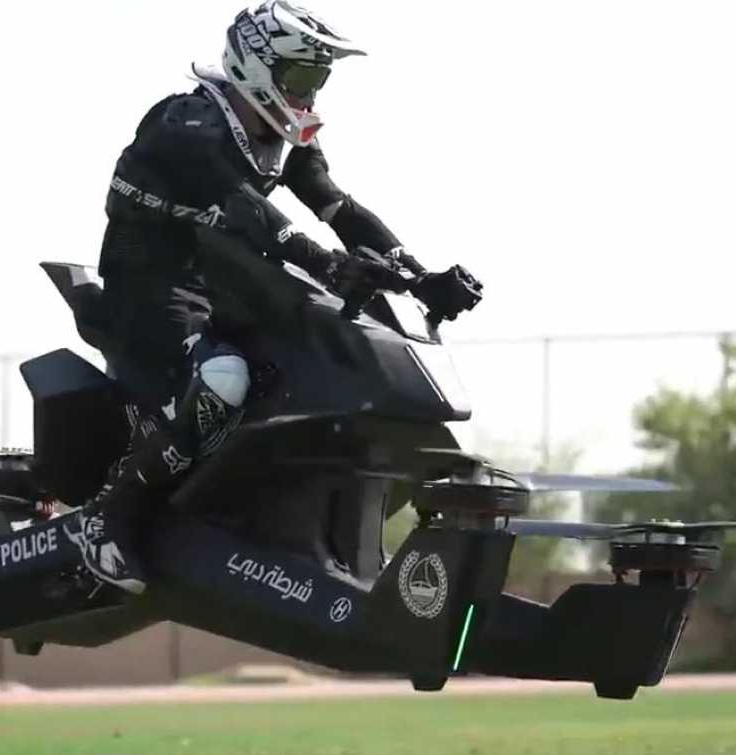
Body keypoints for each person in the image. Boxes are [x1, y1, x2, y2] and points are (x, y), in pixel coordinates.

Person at [77, 0, 482, 593]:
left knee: (297, 360)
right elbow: (247, 209)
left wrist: (418, 275)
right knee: (225, 379)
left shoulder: (287, 138)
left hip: (219, 277)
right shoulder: (188, 121)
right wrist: (325, 263)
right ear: (256, 68)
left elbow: (336, 206)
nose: (308, 94)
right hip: (151, 282)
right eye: (300, 77)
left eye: (316, 80)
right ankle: (110, 519)